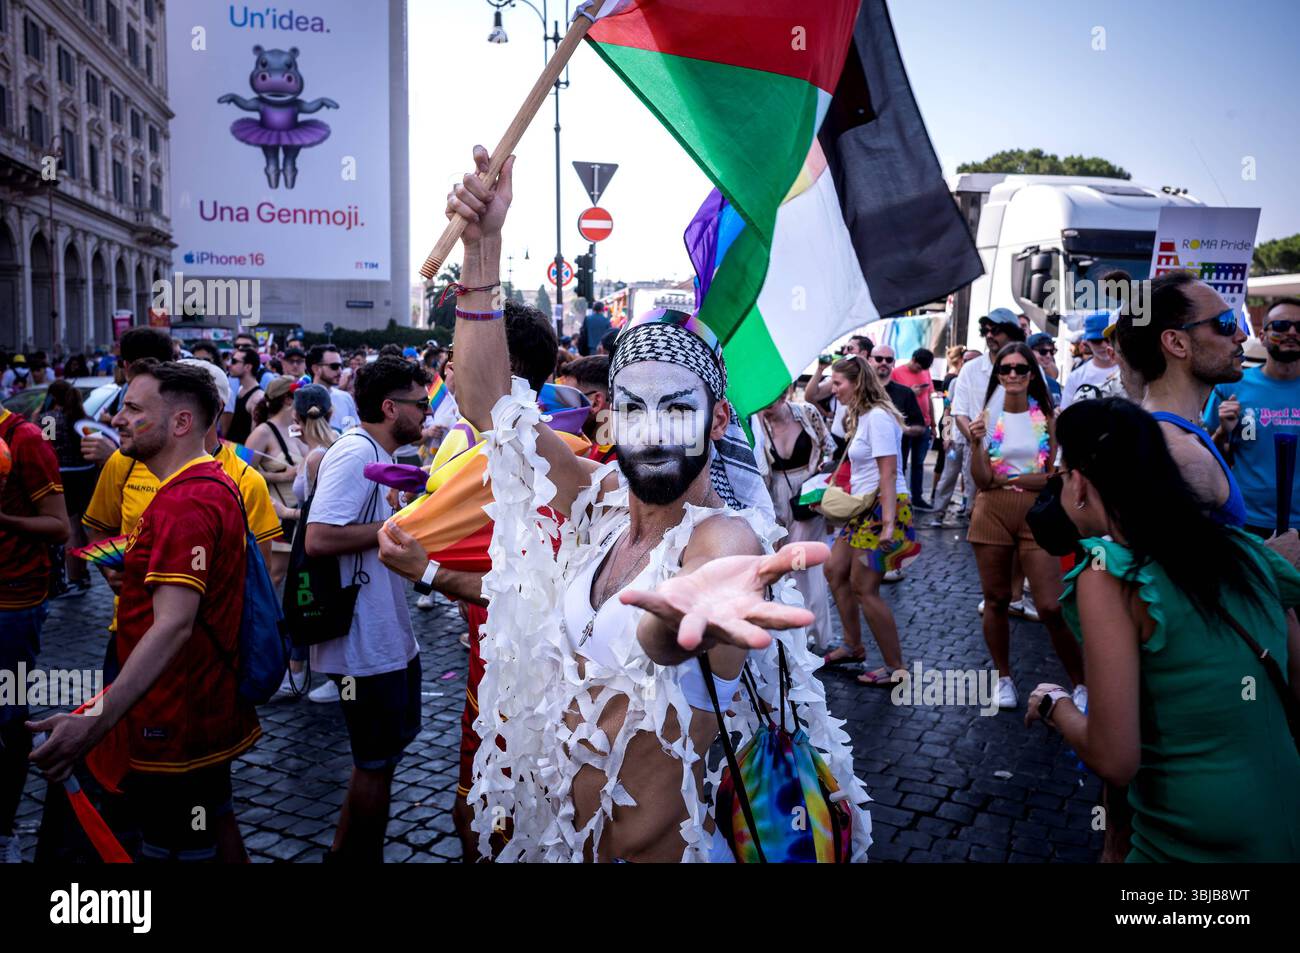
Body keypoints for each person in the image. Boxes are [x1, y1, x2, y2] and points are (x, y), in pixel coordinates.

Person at [432, 144, 867, 862]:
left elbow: (684, 628)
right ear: (608, 417)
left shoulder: (723, 542)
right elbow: (489, 410)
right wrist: (482, 253)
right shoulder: (597, 498)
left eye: (678, 407)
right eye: (634, 407)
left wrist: (685, 623)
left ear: (719, 420)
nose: (655, 428)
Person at [1026, 397, 1300, 862]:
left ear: (1079, 485)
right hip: (1284, 818)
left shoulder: (1108, 571)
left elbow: (1115, 757)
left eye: (1061, 471)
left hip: (1190, 834)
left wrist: (1055, 706)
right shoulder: (1245, 550)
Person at [29, 362, 260, 863]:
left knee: (175, 846)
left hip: (175, 713)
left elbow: (174, 624)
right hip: (190, 703)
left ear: (179, 423)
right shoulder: (207, 483)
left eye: (133, 409)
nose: (116, 418)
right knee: (207, 824)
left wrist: (96, 719)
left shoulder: (186, 501)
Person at [303, 356, 429, 861]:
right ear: (389, 407)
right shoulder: (355, 454)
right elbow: (318, 538)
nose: (427, 415)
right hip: (362, 640)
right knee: (375, 761)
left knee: (378, 759)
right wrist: (395, 531)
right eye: (420, 405)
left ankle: (341, 854)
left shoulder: (378, 452)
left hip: (386, 633)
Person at [967, 342, 1084, 710]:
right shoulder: (987, 417)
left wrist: (1012, 479)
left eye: (1020, 368)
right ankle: (1003, 679)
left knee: (1050, 606)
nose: (1013, 375)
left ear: (1032, 373)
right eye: (1006, 369)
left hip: (1038, 514)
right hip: (992, 513)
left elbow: (1050, 476)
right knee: (997, 600)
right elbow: (983, 479)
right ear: (998, 374)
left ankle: (1080, 683)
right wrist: (976, 444)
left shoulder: (1048, 416)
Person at [1112, 271, 1248, 526]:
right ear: (1176, 343)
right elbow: (1183, 565)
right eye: (1226, 322)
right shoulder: (1180, 454)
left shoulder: (1164, 434)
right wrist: (1271, 559)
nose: (1241, 335)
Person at [820, 355, 918, 686]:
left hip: (882, 509)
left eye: (838, 383)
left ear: (857, 382)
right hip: (863, 509)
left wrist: (889, 525)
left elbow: (888, 472)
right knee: (835, 570)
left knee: (866, 588)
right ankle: (852, 645)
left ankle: (895, 668)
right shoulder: (859, 416)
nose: (833, 390)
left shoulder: (877, 418)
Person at [0, 396, 69, 863]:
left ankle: (4, 830)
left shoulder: (24, 438)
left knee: (6, 716)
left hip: (13, 604)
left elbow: (60, 526)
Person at [1205, 297, 1300, 537]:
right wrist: (1223, 432)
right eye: (1280, 326)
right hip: (1248, 521)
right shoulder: (1230, 387)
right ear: (1262, 335)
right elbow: (1208, 458)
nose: (1291, 332)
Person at [753, 388, 836, 651]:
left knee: (802, 562)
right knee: (781, 563)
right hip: (774, 494)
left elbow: (829, 449)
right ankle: (792, 630)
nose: (767, 407)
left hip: (807, 494)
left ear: (784, 395)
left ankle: (816, 634)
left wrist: (822, 475)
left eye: (771, 400)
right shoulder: (757, 423)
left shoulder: (807, 414)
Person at [930, 310, 1024, 523]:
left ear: (1011, 333)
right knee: (958, 481)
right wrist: (974, 441)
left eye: (997, 331)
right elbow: (957, 411)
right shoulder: (970, 371)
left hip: (1016, 453)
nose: (990, 335)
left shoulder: (1027, 367)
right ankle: (941, 513)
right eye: (986, 330)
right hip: (968, 443)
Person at [246, 377, 304, 589]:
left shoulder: (297, 428)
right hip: (277, 517)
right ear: (289, 399)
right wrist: (283, 476)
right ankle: (262, 620)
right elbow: (241, 473)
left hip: (298, 515)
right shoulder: (262, 431)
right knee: (274, 576)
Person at [41, 381, 98, 596]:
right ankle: (83, 572)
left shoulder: (50, 419)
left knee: (72, 527)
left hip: (63, 474)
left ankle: (75, 577)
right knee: (84, 526)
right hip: (86, 473)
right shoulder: (84, 418)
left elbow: (46, 447)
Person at [870, 345, 928, 514]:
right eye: (879, 358)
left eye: (888, 360)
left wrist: (901, 428)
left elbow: (919, 426)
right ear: (870, 361)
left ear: (893, 363)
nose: (883, 363)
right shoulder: (859, 390)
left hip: (894, 470)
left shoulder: (904, 393)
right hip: (863, 472)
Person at [556, 355, 616, 461]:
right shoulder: (592, 447)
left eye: (567, 399)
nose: (560, 410)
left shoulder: (622, 464)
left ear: (596, 403)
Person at [1060, 312, 1121, 408]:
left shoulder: (1130, 370)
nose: (1104, 345)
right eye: (1096, 341)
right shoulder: (1075, 377)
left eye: (1108, 339)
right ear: (1087, 342)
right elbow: (1066, 412)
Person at [308, 345, 359, 431]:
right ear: (316, 369)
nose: (340, 371)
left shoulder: (345, 397)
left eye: (341, 366)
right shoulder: (302, 400)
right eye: (334, 366)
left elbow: (354, 430)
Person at [224, 346, 264, 445]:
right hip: (233, 453)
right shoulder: (241, 389)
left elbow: (255, 439)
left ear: (248, 367)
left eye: (234, 361)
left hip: (242, 456)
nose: (229, 365)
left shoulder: (257, 398)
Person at [1027, 332, 1063, 403]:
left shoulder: (1054, 384)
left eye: (1052, 351)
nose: (1048, 356)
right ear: (1029, 352)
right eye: (1043, 351)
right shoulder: (1020, 381)